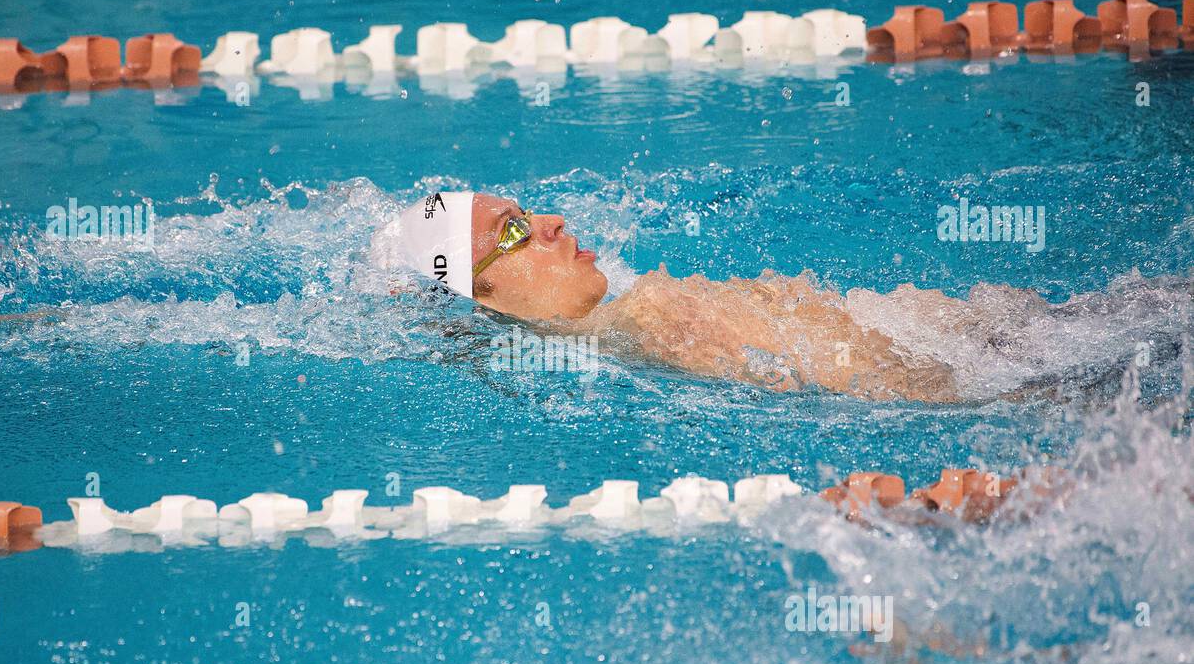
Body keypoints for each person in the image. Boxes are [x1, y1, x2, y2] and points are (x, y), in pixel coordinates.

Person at [371, 190, 1004, 402]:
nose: (552, 223)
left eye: (529, 210)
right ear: (482, 295)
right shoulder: (648, 323)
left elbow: (914, 388)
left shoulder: (654, 318)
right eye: (514, 229)